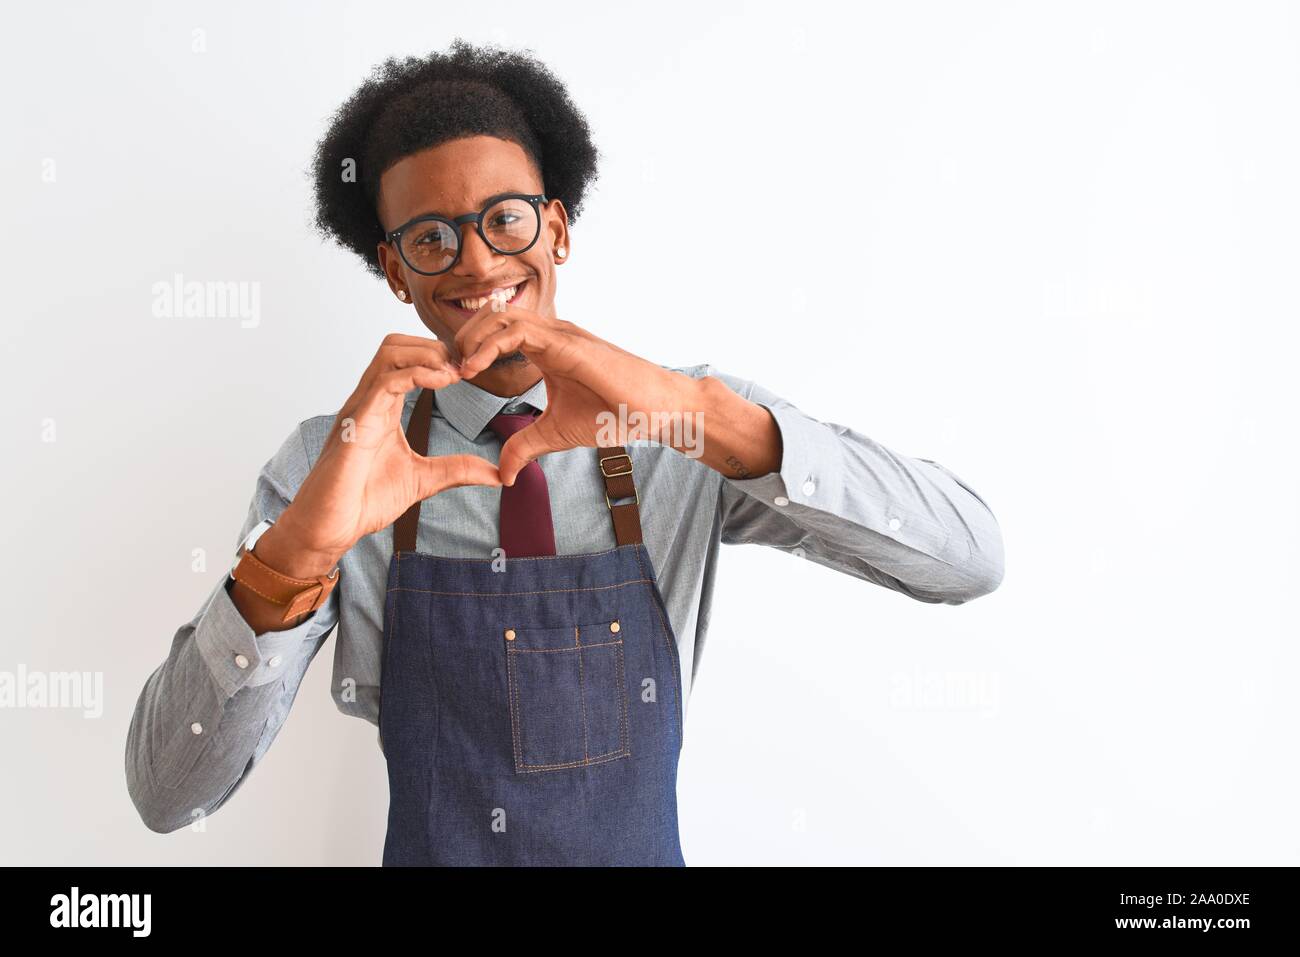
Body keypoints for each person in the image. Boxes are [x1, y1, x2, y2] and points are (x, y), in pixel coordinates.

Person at [125, 40, 1005, 865]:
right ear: (397, 272)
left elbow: (969, 558)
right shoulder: (337, 459)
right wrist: (295, 557)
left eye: (503, 218)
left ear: (557, 229)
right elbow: (167, 796)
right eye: (431, 238)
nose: (474, 261)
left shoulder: (683, 423)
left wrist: (700, 416)